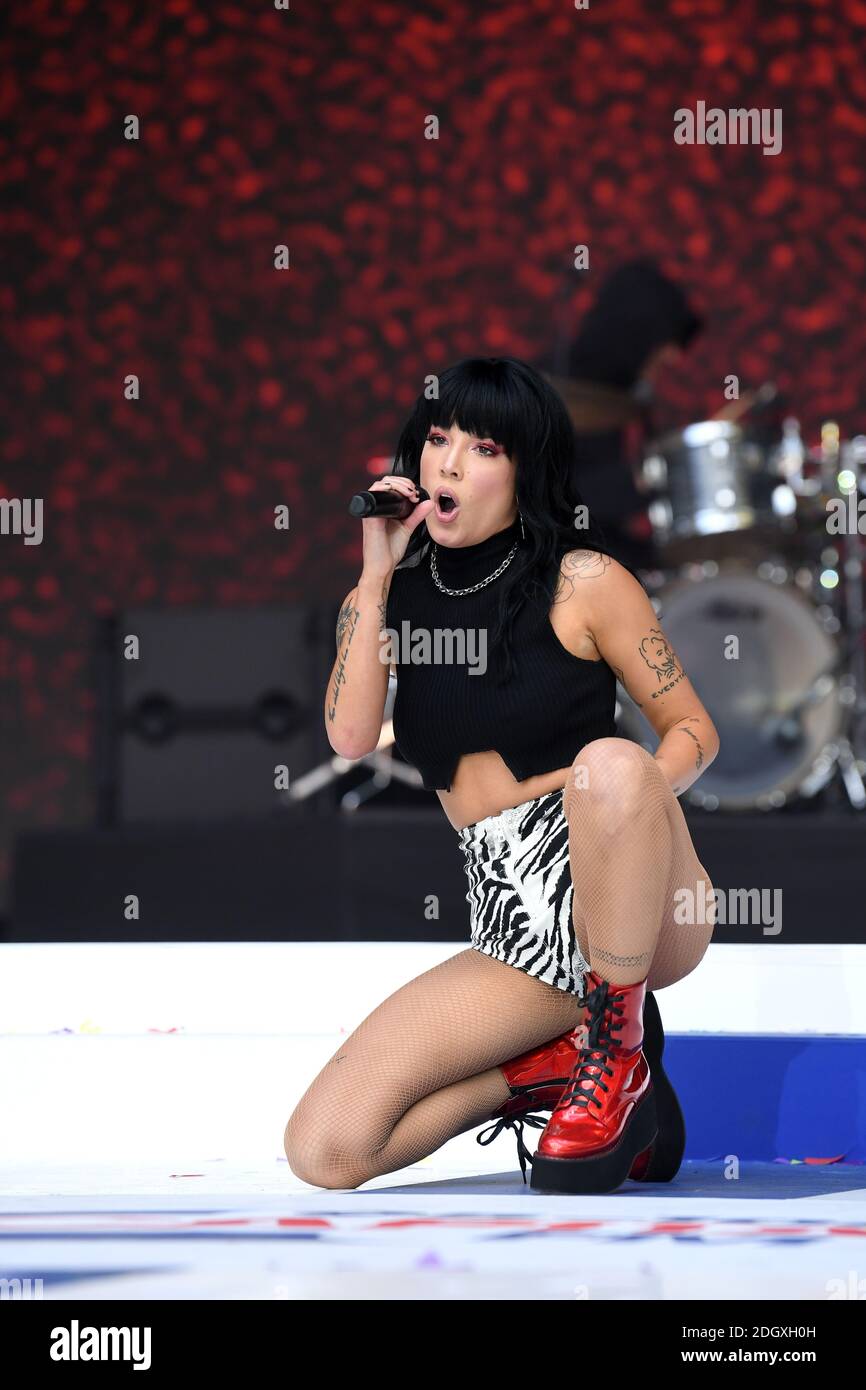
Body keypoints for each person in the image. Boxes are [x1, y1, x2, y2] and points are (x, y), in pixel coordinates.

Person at [284, 356, 719, 1195]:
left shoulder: (585, 580)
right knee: (325, 1151)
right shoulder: (384, 598)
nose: (447, 464)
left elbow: (694, 729)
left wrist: (629, 800)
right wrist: (377, 573)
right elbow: (345, 735)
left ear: (524, 471)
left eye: (481, 447)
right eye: (437, 440)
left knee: (610, 763)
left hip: (623, 893)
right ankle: (561, 1068)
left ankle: (617, 1043)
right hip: (513, 931)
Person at [544, 258, 704, 574]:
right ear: (635, 333)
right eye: (664, 340)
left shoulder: (624, 403)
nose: (672, 355)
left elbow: (606, 535)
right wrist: (645, 477)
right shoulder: (553, 391)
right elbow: (552, 509)